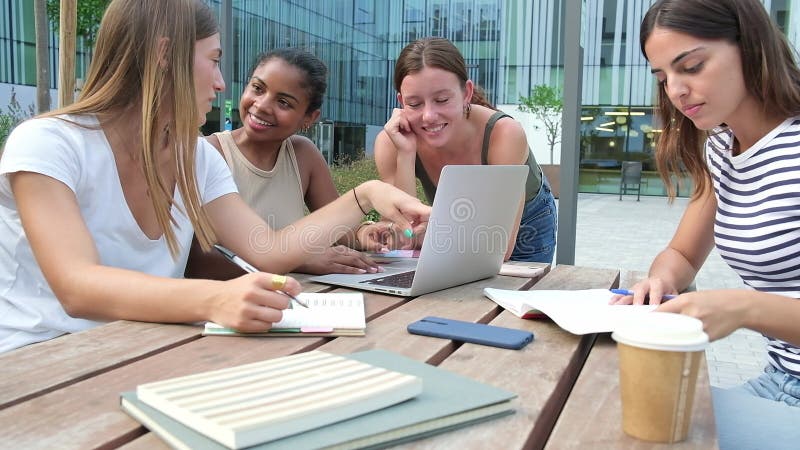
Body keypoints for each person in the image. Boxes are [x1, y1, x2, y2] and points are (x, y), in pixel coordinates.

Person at [0, 0, 428, 354]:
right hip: (37, 359)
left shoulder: (195, 157)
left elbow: (270, 250)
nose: (222, 83)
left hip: (141, 347)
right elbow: (78, 287)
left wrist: (367, 194)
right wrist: (214, 299)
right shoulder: (47, 143)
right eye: (214, 61)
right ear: (166, 55)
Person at [615, 0, 800, 446]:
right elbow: (681, 253)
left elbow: (741, 307)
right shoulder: (722, 148)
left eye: (691, 66)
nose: (676, 91)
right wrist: (659, 282)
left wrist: (742, 309)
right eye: (663, 78)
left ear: (750, 45)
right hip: (781, 384)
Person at [185, 48, 382, 278]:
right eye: (257, 88)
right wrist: (297, 259)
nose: (262, 105)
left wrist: (365, 233)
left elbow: (338, 231)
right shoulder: (207, 154)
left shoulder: (303, 155)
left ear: (309, 118)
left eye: (284, 103)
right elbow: (193, 261)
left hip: (292, 298)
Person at [371, 37, 557, 263]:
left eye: (442, 99)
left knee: (514, 294)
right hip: (454, 223)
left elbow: (499, 248)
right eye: (414, 104)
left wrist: (432, 233)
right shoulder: (392, 141)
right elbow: (402, 236)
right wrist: (406, 155)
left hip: (527, 223)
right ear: (401, 101)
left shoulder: (504, 134)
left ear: (466, 93)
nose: (428, 116)